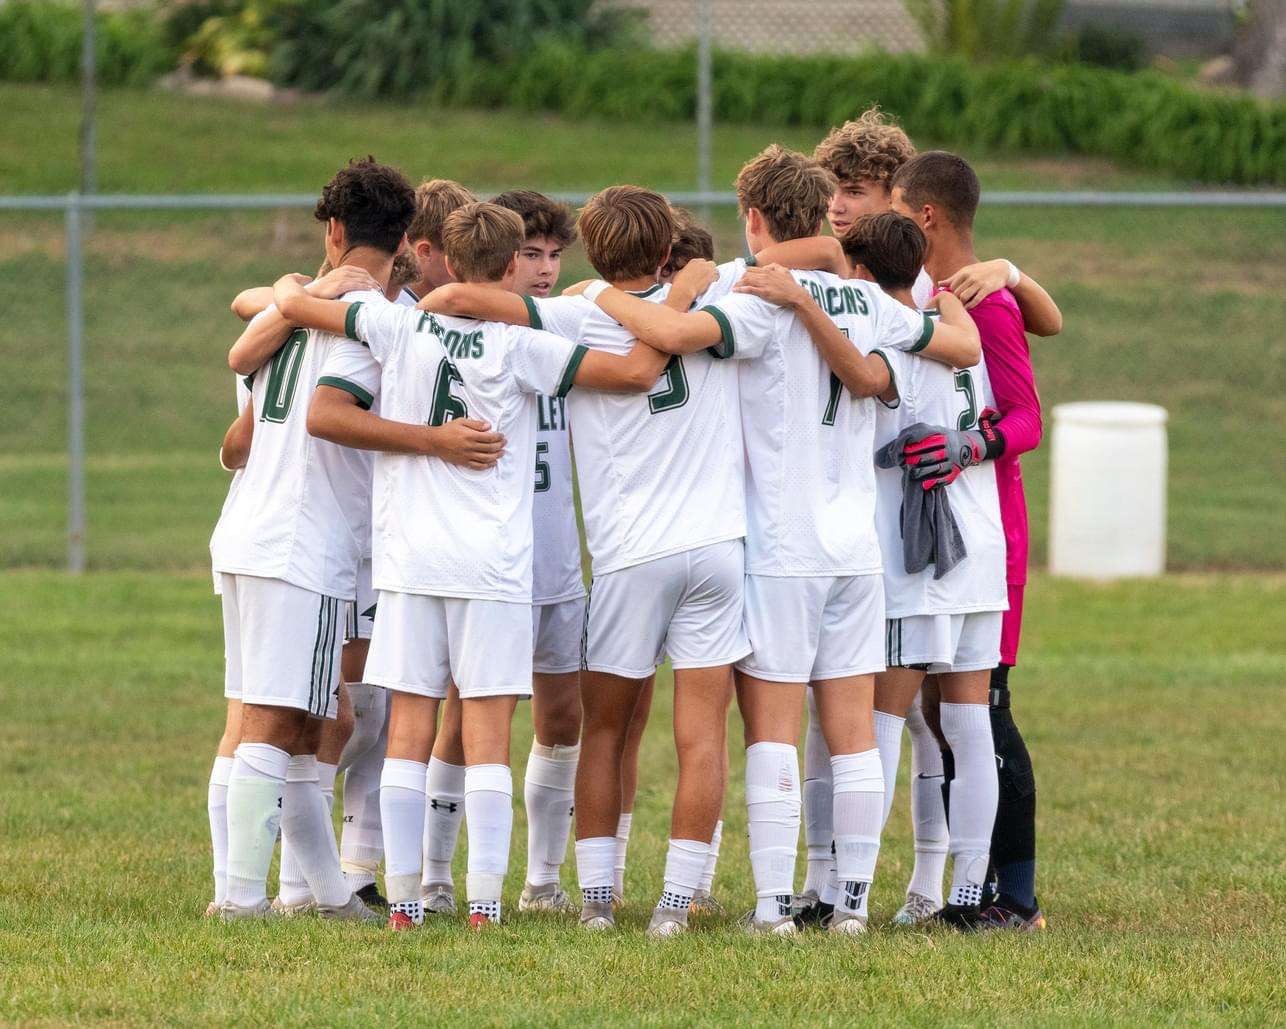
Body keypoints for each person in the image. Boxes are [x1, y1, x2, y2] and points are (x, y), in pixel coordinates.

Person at [577, 147, 980, 936]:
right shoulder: (866, 300)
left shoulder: (750, 294)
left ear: (755, 219)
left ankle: (772, 909)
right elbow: (959, 345)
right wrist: (980, 283)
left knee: (773, 733)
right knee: (853, 730)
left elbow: (669, 330)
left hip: (782, 549)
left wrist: (598, 289)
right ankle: (854, 908)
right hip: (855, 549)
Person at [277, 200, 672, 929]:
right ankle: (486, 903)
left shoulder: (396, 324)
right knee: (489, 739)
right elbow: (631, 375)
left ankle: (404, 902)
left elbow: (298, 308)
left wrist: (304, 292)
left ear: (450, 263)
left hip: (409, 563)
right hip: (493, 566)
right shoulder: (522, 345)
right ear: (512, 264)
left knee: (408, 736)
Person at [208, 157, 416, 922]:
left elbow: (241, 368)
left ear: (332, 230)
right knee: (272, 718)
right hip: (304, 541)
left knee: (305, 719)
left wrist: (299, 292)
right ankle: (238, 899)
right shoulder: (367, 328)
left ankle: (328, 895)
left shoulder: (284, 319)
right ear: (403, 242)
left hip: (248, 533)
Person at [891, 151, 1048, 931]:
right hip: (941, 536)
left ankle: (1012, 895)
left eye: (890, 200)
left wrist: (972, 446)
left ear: (924, 216)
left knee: (985, 711)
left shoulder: (985, 303)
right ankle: (972, 887)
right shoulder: (928, 298)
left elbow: (1028, 417)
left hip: (991, 537)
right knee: (949, 709)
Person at [420, 189, 586, 914]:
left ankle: (543, 881)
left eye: (555, 255)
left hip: (556, 561)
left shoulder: (566, 321)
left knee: (561, 719)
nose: (545, 269)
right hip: (490, 561)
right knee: (468, 716)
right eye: (530, 254)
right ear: (502, 257)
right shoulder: (461, 327)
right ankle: (434, 874)